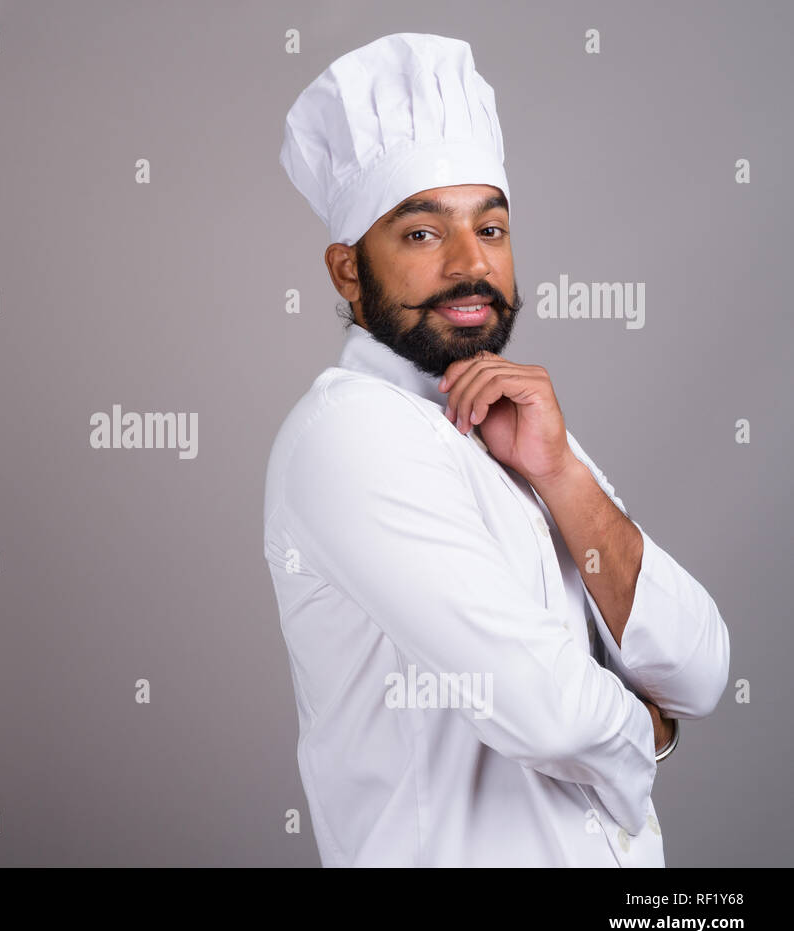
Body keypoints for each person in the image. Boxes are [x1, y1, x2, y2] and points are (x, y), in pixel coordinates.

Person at [264, 33, 730, 866]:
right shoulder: (351, 435)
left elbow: (700, 666)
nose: (471, 263)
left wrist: (560, 473)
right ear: (346, 269)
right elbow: (543, 710)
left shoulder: (514, 421)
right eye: (420, 234)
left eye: (492, 225)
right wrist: (650, 729)